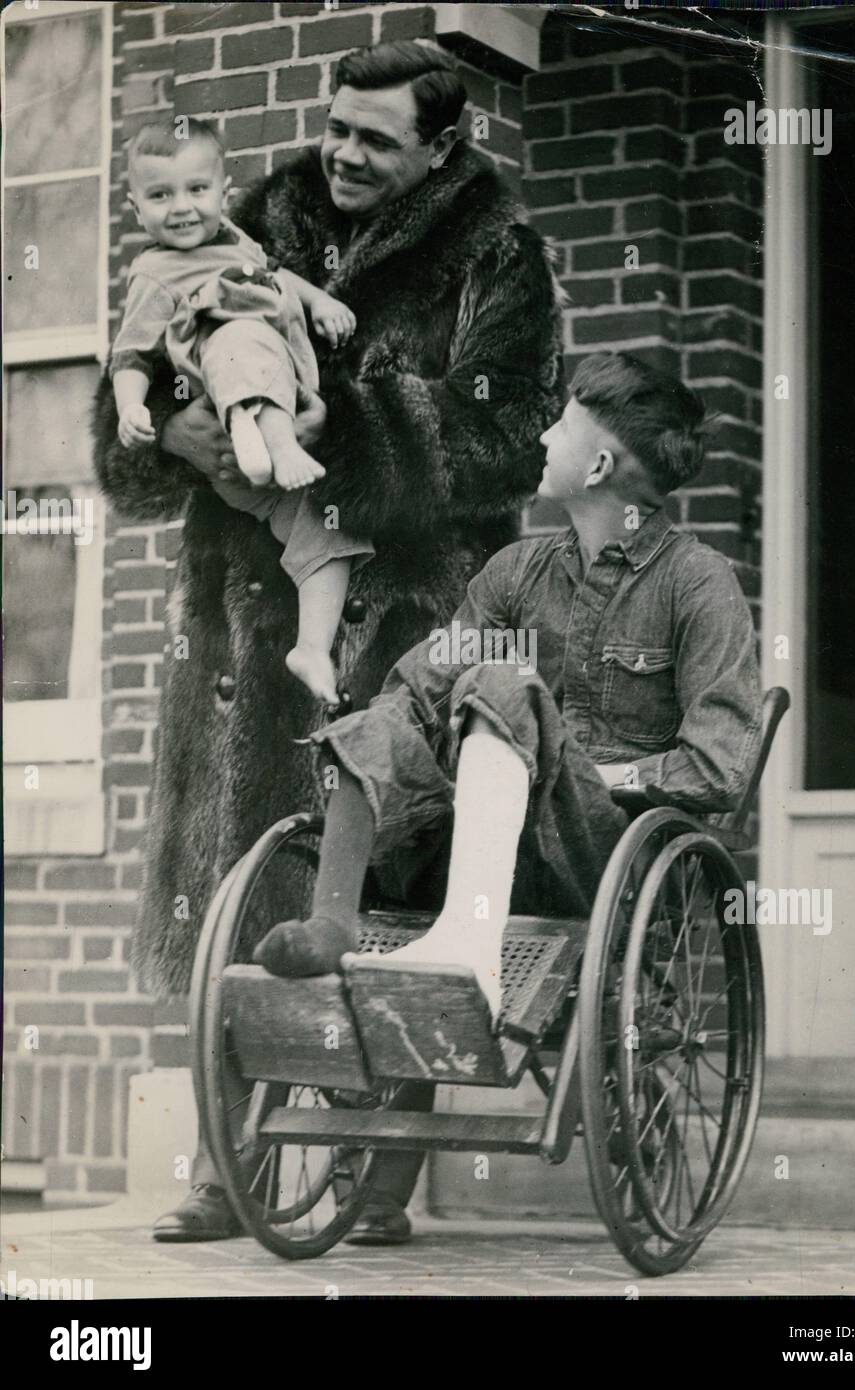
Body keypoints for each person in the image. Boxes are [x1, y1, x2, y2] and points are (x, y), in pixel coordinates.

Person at [91, 39, 563, 1245]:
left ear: (443, 143)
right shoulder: (256, 214)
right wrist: (165, 436)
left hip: (409, 609)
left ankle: (377, 1166)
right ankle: (232, 1157)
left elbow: (507, 436)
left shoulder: (498, 252)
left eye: (374, 138)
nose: (341, 153)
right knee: (248, 873)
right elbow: (146, 379)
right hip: (253, 614)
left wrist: (346, 424)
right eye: (335, 125)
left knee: (387, 884)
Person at [255, 352, 763, 1038]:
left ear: (599, 469)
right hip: (488, 846)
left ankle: (468, 949)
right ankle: (333, 922)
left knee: (501, 682)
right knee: (393, 710)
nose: (543, 436)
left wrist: (566, 770)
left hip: (602, 862)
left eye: (560, 424)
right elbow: (419, 687)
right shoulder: (515, 573)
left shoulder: (698, 585)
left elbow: (719, 768)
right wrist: (388, 741)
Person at [113, 116, 369, 704]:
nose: (181, 207)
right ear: (136, 208)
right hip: (228, 412)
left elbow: (277, 276)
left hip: (278, 420)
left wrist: (320, 298)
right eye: (160, 195)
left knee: (327, 531)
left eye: (196, 190)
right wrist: (133, 409)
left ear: (223, 194)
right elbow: (129, 354)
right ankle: (265, 437)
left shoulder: (235, 242)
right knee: (238, 338)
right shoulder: (155, 273)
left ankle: (311, 645)